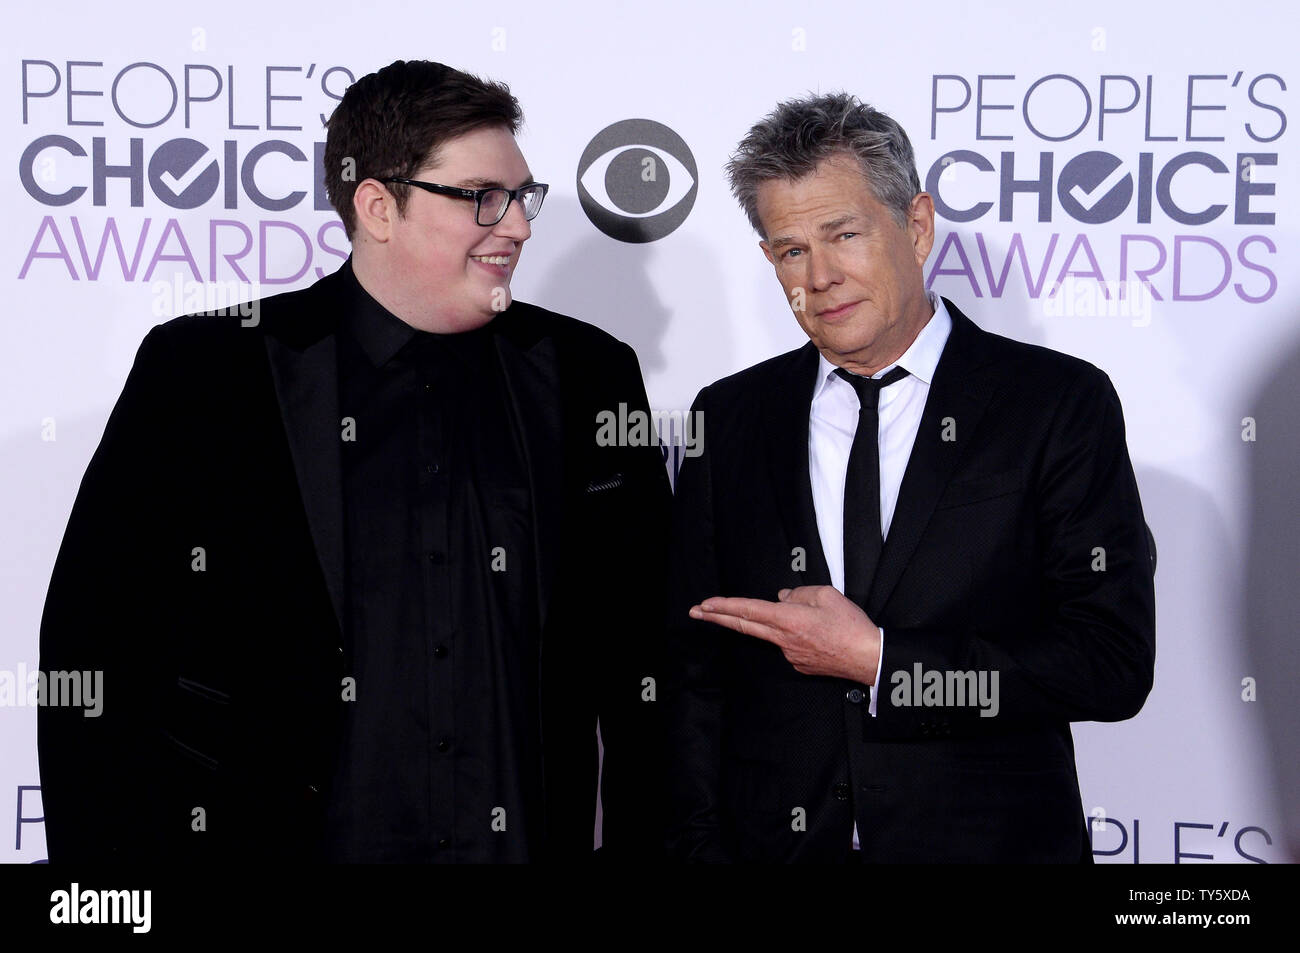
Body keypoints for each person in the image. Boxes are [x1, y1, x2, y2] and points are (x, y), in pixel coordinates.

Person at [38, 59, 669, 863]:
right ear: (378, 205)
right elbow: (99, 649)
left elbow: (647, 663)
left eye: (523, 198)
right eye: (483, 197)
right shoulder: (204, 373)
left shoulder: (588, 373)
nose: (518, 226)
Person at [664, 92, 1156, 862]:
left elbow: (1109, 663)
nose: (820, 277)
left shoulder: (1055, 403)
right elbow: (692, 678)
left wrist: (885, 661)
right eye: (792, 250)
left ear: (916, 226)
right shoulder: (729, 417)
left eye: (844, 234)